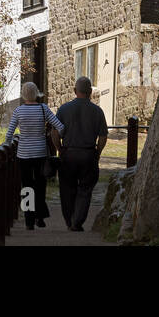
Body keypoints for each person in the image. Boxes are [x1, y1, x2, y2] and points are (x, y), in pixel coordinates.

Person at [2, 81, 63, 229]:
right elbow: (60, 126)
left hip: (24, 154)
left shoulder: (18, 111)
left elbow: (9, 133)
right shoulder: (43, 109)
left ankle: (29, 220)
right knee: (40, 185)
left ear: (23, 95)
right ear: (37, 93)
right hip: (40, 153)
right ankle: (40, 217)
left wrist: (5, 145)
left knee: (27, 186)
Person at [55, 76, 109, 231]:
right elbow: (103, 136)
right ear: (91, 92)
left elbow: (54, 133)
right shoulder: (97, 111)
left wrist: (60, 149)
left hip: (68, 153)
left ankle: (69, 218)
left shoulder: (64, 109)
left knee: (67, 188)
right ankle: (77, 220)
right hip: (88, 154)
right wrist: (97, 153)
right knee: (85, 189)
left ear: (74, 91)